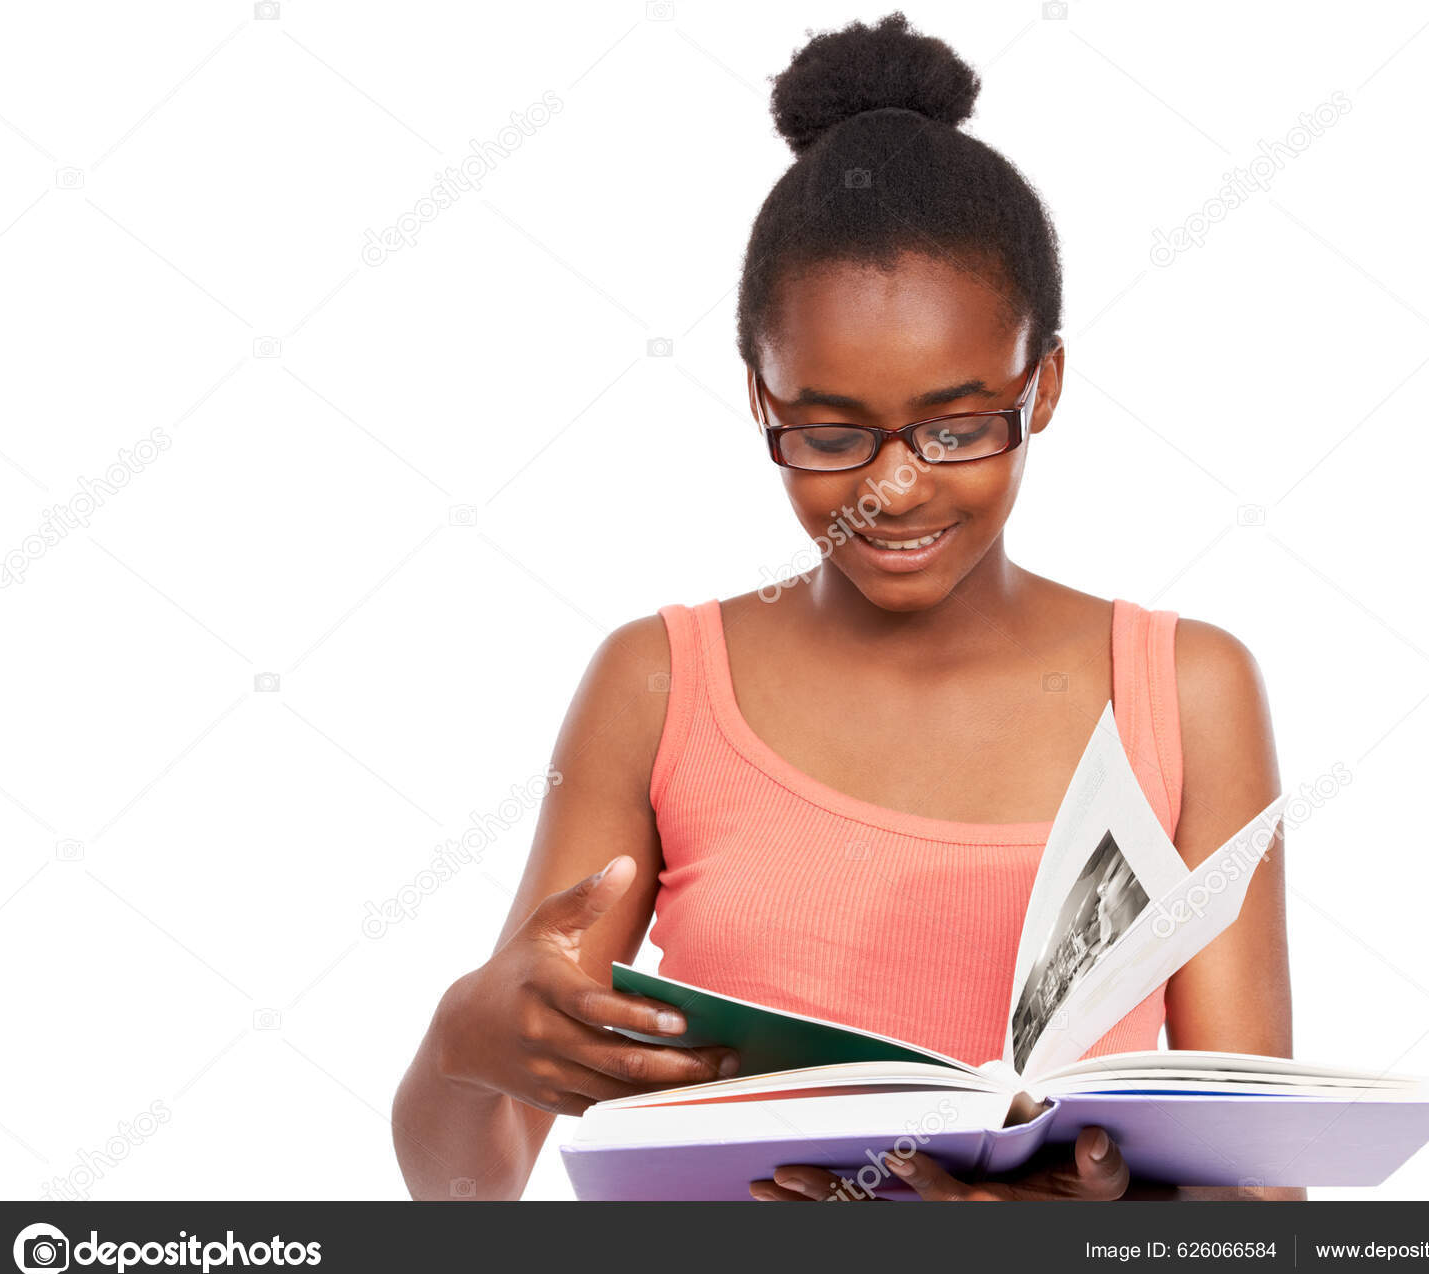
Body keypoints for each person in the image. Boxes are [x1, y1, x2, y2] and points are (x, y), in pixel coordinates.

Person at [393, 11, 1291, 1202]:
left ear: (1046, 383)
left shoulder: (1186, 688)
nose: (895, 485)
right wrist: (463, 1045)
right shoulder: (657, 682)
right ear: (760, 400)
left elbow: (1266, 1207)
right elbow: (472, 1192)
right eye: (829, 433)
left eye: (958, 424)